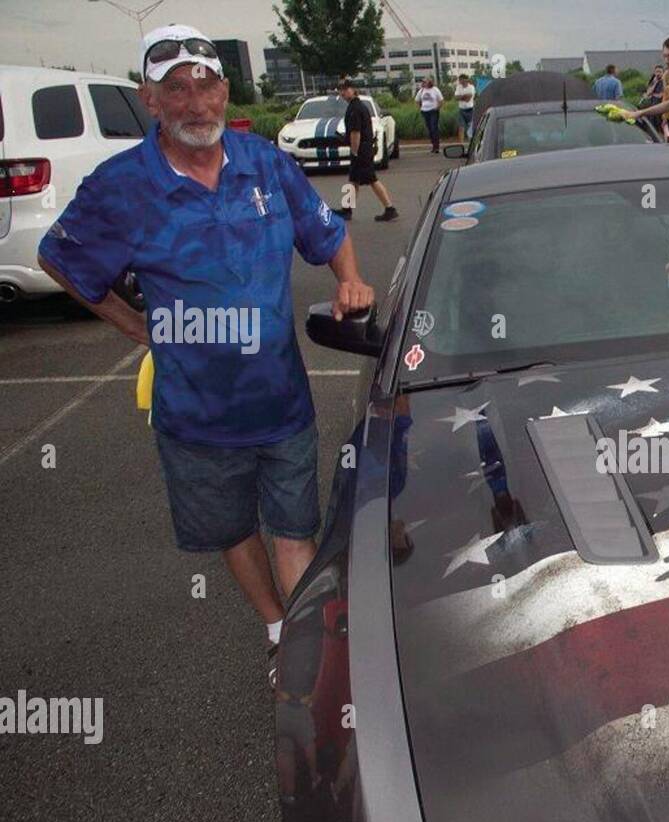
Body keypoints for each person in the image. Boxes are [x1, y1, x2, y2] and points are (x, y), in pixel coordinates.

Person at [36, 24, 375, 653]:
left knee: (296, 529)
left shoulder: (266, 163)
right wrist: (136, 326)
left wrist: (350, 279)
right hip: (195, 416)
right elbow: (60, 258)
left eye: (207, 85)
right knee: (231, 529)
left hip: (282, 402)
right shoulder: (121, 186)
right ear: (150, 99)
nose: (197, 103)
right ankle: (276, 623)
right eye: (177, 90)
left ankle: (300, 651)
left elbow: (328, 231)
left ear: (225, 90)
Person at [337, 79, 397, 222]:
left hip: (361, 150)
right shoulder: (357, 106)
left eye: (345, 89)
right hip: (365, 148)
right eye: (341, 90)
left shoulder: (355, 109)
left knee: (371, 179)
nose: (343, 93)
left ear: (353, 90)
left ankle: (390, 208)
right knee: (353, 180)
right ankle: (346, 209)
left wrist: (354, 151)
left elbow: (356, 132)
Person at [415, 76, 444, 153]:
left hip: (433, 111)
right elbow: (417, 100)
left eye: (425, 82)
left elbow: (441, 100)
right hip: (425, 111)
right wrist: (420, 108)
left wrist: (437, 108)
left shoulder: (435, 90)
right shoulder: (421, 91)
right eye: (423, 82)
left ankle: (436, 146)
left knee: (434, 127)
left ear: (429, 82)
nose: (423, 83)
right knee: (430, 129)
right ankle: (433, 145)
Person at [640, 64, 666, 134]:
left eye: (660, 72)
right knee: (653, 126)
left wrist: (653, 95)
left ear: (663, 72)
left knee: (661, 127)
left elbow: (661, 95)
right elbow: (648, 93)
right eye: (657, 72)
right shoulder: (653, 81)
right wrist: (655, 83)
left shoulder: (664, 82)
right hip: (652, 106)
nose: (658, 74)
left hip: (661, 107)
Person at [454, 73, 475, 143]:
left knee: (470, 128)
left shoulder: (471, 87)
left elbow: (468, 98)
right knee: (461, 128)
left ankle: (471, 143)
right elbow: (456, 97)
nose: (460, 81)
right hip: (461, 110)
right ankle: (461, 144)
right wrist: (464, 96)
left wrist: (461, 97)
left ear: (465, 80)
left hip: (470, 110)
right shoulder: (458, 87)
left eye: (461, 80)